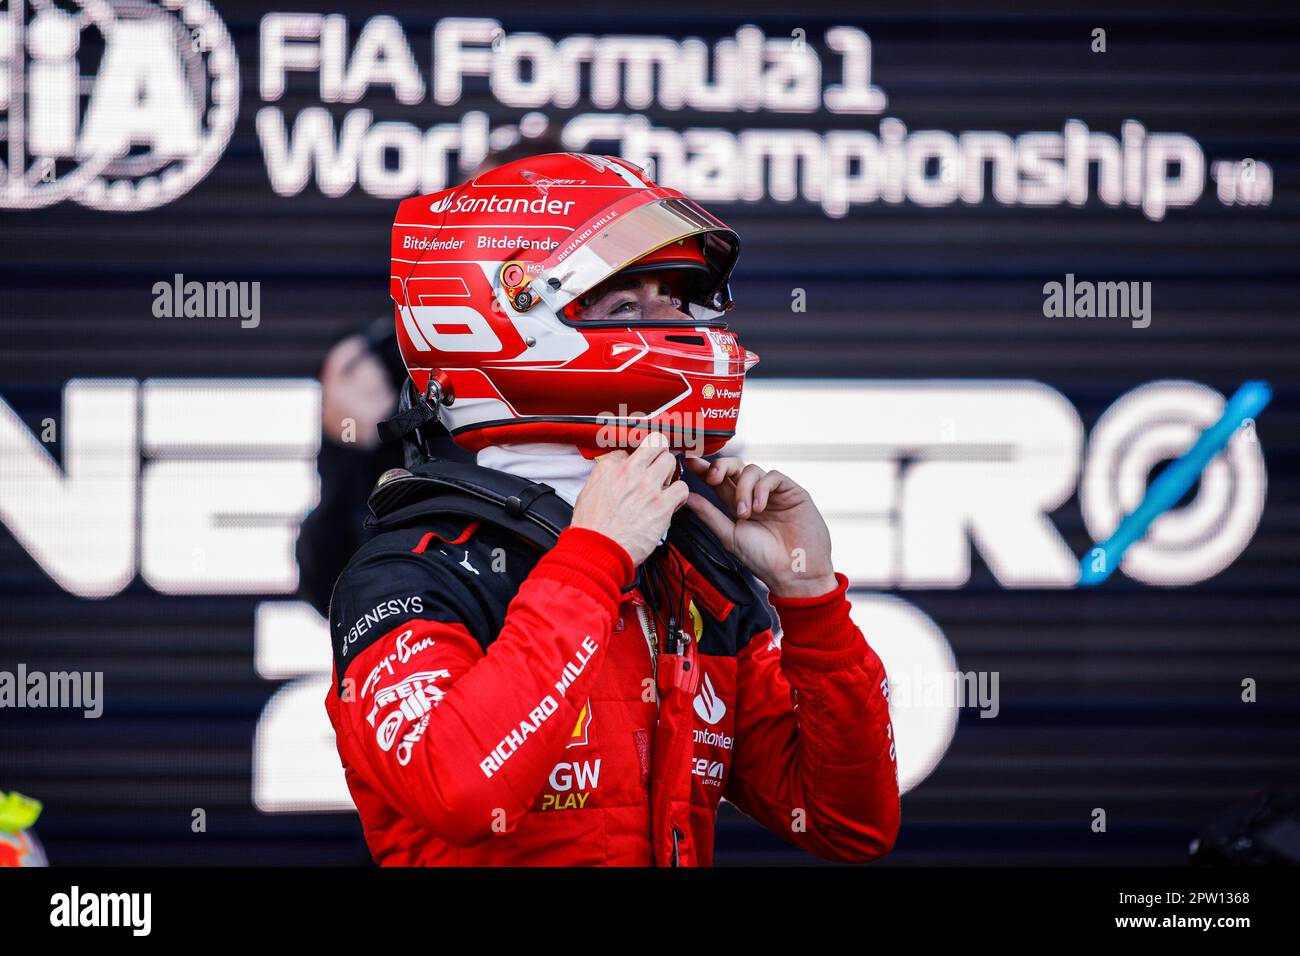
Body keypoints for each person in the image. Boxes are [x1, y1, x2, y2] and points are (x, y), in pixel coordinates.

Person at [324, 152, 900, 866]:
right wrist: (595, 558)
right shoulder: (410, 574)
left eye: (676, 298)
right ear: (509, 322)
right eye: (628, 305)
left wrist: (809, 600)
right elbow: (460, 791)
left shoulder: (694, 565)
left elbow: (849, 824)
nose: (677, 323)